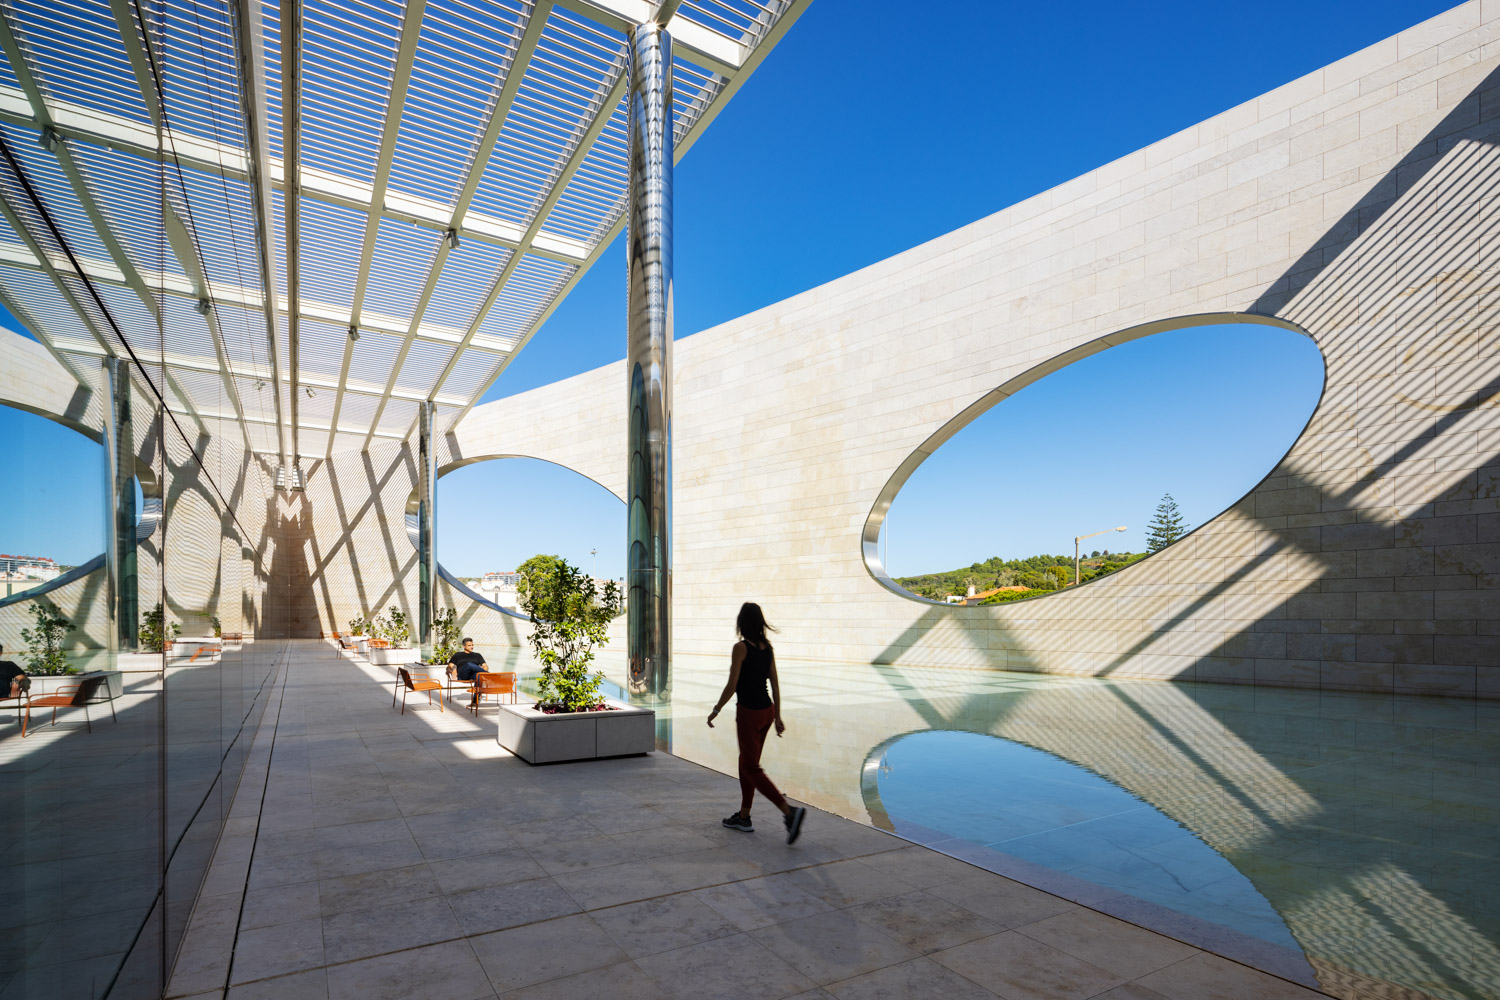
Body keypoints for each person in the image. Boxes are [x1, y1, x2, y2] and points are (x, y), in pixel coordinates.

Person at [708, 603, 807, 844]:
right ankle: (744, 817)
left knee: (751, 767)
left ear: (742, 623)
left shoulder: (740, 648)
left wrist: (716, 709)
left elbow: (732, 685)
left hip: (749, 713)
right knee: (746, 762)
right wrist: (778, 716)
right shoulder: (768, 648)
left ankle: (789, 812)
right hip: (767, 711)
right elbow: (775, 685)